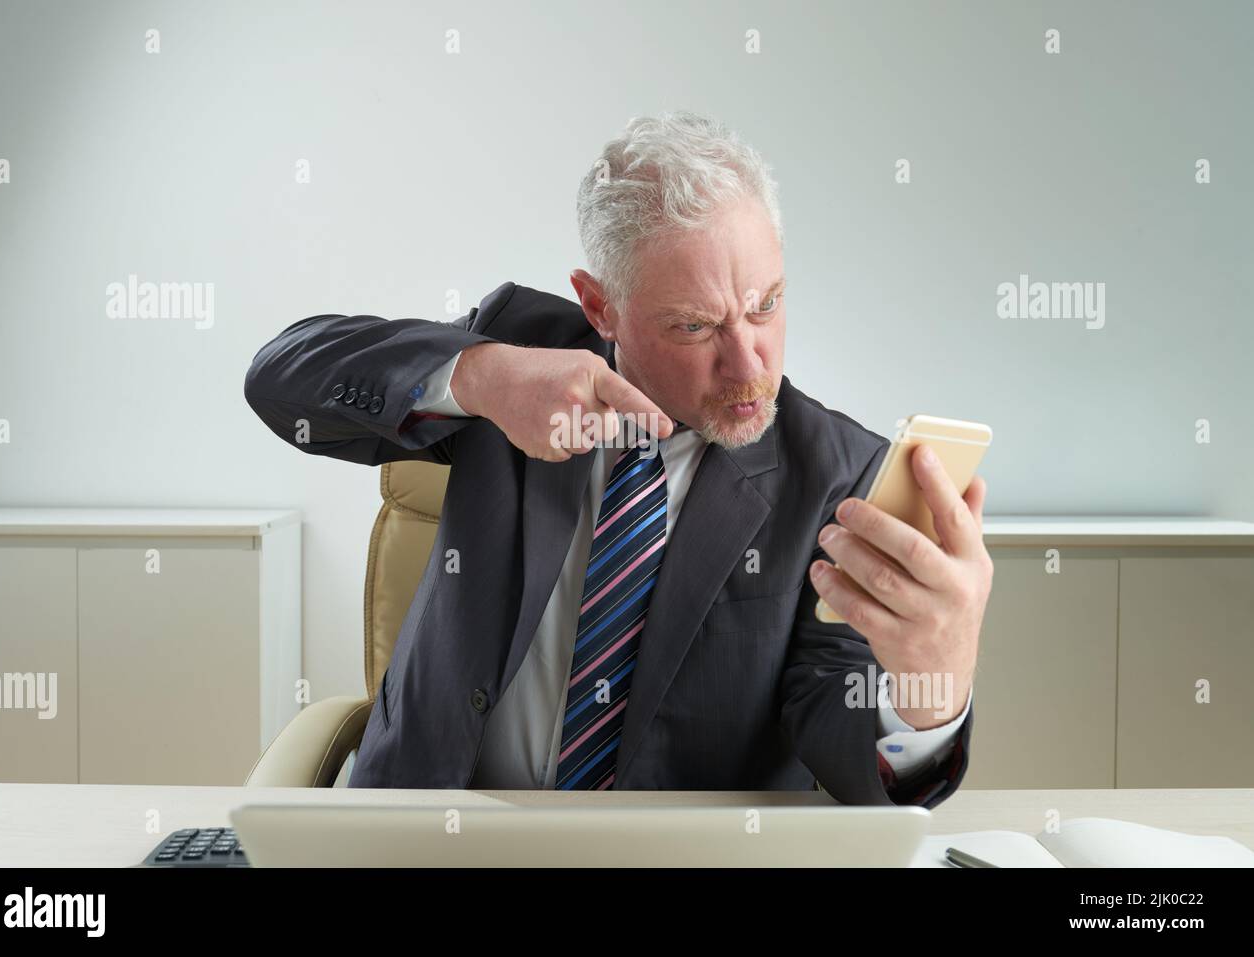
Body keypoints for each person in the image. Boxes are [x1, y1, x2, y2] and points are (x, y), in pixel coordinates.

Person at [244, 111, 991, 806]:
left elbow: (847, 748)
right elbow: (281, 380)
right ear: (601, 307)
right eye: (695, 326)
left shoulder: (837, 472)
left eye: (765, 306)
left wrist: (932, 687)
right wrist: (482, 377)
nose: (747, 364)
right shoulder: (523, 354)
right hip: (435, 833)